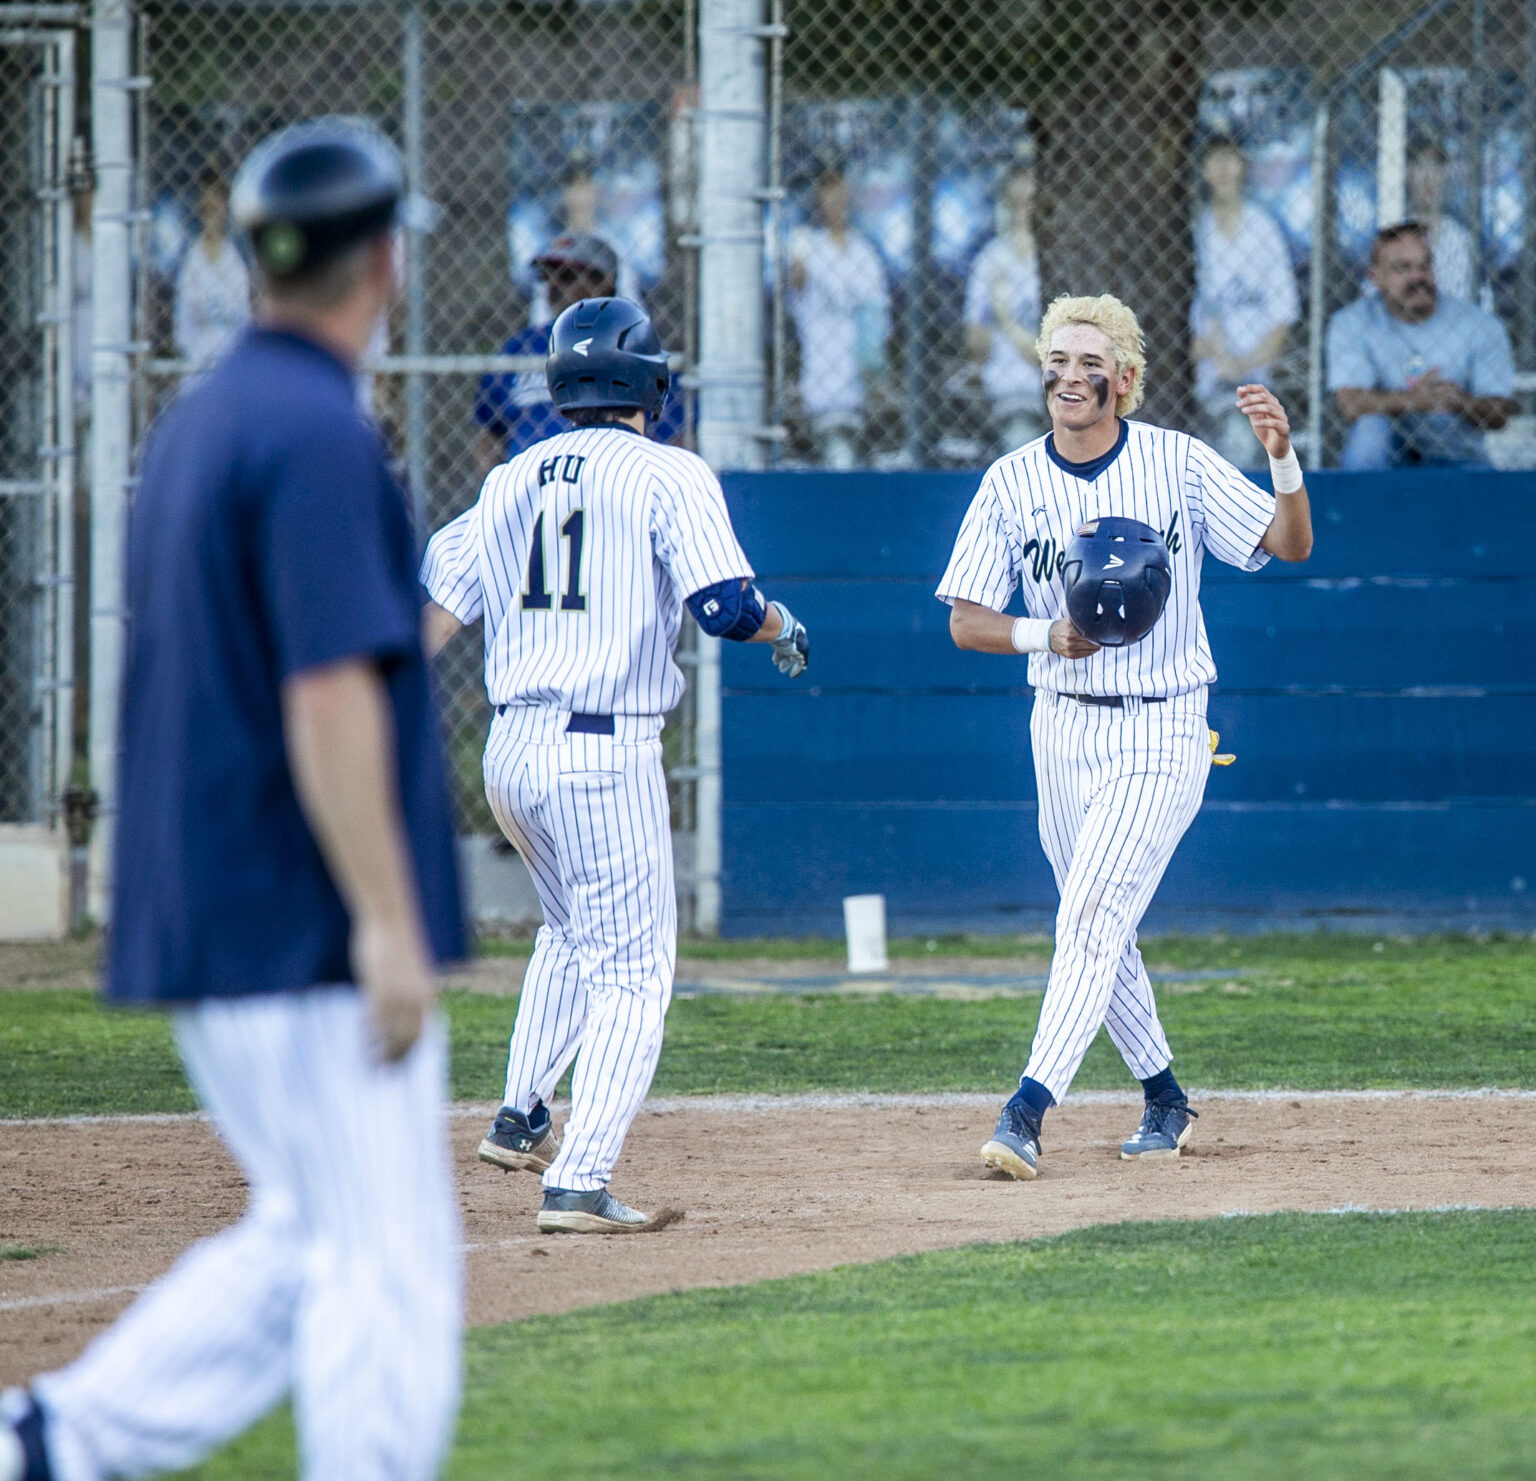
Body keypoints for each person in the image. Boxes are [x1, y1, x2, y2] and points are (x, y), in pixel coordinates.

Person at [0, 119, 466, 1481]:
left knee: (309, 1227)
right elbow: (327, 695)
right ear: (380, 261)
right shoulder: (320, 434)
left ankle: (55, 1441)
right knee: (384, 1256)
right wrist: (383, 920)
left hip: (220, 916)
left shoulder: (205, 418)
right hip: (304, 922)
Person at [422, 295, 810, 1233]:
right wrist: (786, 626)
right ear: (649, 383)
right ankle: (579, 1180)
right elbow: (723, 608)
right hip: (602, 748)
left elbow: (430, 618)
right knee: (634, 968)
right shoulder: (667, 472)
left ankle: (521, 1115)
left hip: (511, 749)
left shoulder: (509, 479)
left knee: (569, 929)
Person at [936, 292, 1313, 1181]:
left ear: (1126, 380)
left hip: (1163, 721)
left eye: (1090, 362)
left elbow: (1288, 545)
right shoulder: (1010, 479)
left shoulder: (1177, 463)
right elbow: (966, 619)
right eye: (1058, 361)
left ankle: (1027, 1109)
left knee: (1094, 913)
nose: (1071, 375)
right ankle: (1165, 1095)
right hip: (1060, 724)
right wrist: (1040, 634)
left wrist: (1284, 460)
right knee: (1096, 925)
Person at [473, 231, 681, 481]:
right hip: (531, 489)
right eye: (546, 277)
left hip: (613, 485)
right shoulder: (520, 347)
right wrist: (496, 488)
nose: (553, 287)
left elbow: (675, 438)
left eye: (567, 277)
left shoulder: (635, 347)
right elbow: (488, 432)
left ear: (604, 281)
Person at [1327, 220, 1515, 468]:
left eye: (1424, 265)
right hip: (1387, 457)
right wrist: (1420, 399)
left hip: (1458, 458)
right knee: (1370, 428)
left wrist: (1458, 400)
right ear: (1375, 277)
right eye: (1402, 268)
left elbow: (1499, 414)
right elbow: (1351, 404)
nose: (1418, 277)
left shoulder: (1480, 324)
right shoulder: (1351, 323)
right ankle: (1361, 505)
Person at [1189, 136, 1298, 466]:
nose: (1221, 168)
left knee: (1239, 440)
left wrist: (1242, 364)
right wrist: (1211, 352)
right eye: (1212, 159)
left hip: (1255, 380)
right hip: (1202, 382)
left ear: (1243, 165)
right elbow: (1177, 327)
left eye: (1229, 158)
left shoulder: (1263, 229)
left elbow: (1283, 320)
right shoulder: (1195, 231)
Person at [786, 165, 890, 468]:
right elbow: (797, 285)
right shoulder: (808, 245)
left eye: (840, 191)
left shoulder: (864, 252)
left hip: (859, 379)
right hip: (819, 379)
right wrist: (797, 258)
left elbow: (878, 318)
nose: (835, 200)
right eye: (827, 191)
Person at [964, 162, 1045, 454]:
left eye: (1030, 204)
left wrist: (1005, 316)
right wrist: (986, 316)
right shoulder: (990, 259)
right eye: (1016, 205)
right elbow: (976, 345)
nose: (1023, 214)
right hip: (1002, 389)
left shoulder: (1054, 260)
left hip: (1051, 389)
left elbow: (1045, 356)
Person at [525, 160, 643, 327]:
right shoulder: (553, 249)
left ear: (595, 192)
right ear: (564, 194)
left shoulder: (613, 247)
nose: (579, 196)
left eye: (584, 187)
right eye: (572, 187)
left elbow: (631, 305)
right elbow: (540, 312)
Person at [171, 170, 251, 370]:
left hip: (233, 362)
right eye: (207, 204)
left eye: (217, 202)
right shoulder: (189, 260)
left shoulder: (239, 258)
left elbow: (246, 316)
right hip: (195, 363)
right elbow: (182, 323)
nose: (213, 210)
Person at [1405, 140, 1476, 305]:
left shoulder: (1462, 241)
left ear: (1445, 175)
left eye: (1435, 166)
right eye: (1420, 166)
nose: (1428, 176)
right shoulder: (1392, 237)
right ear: (1408, 174)